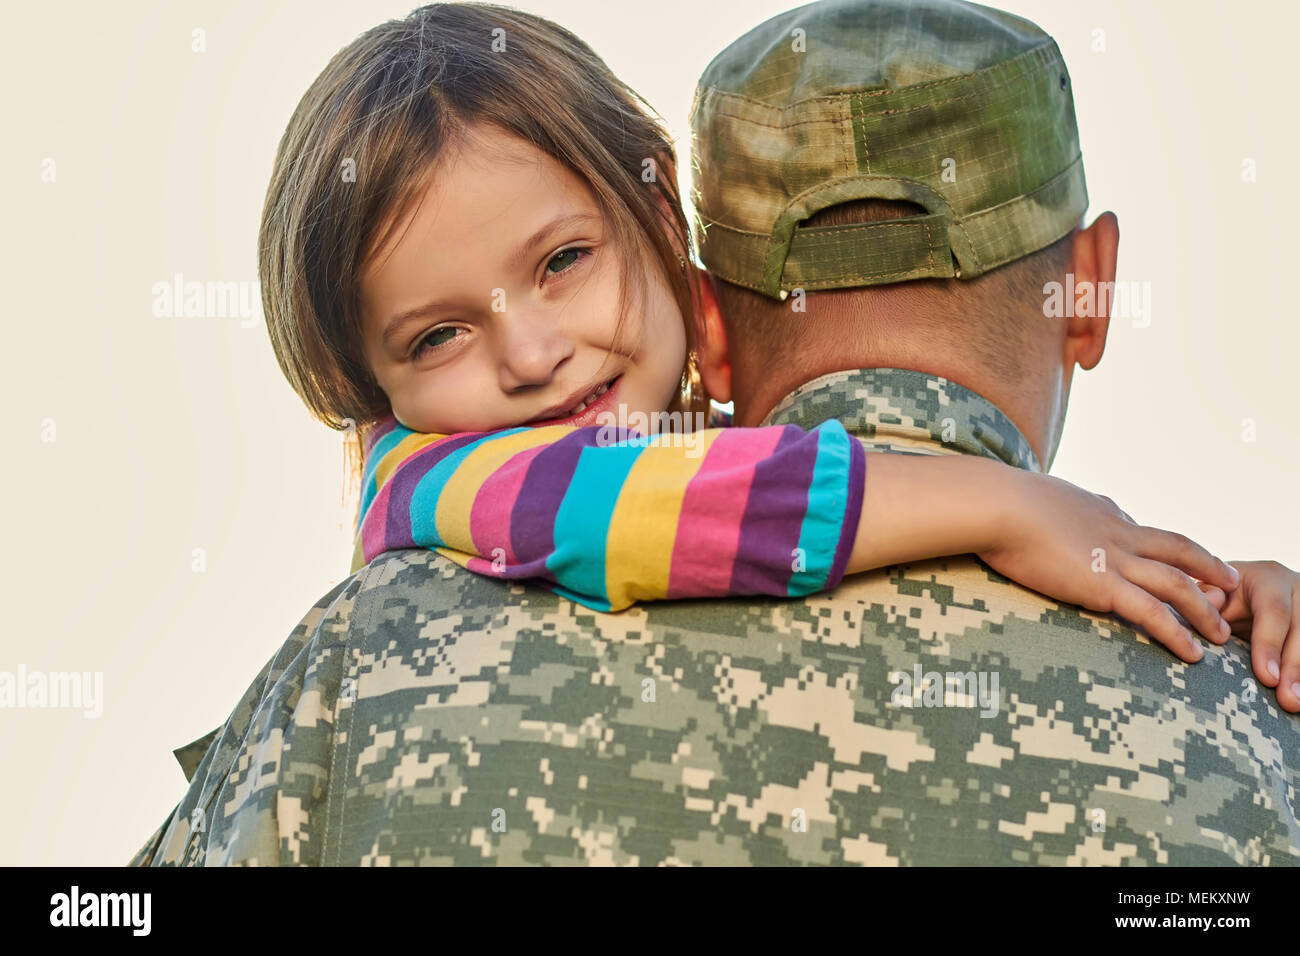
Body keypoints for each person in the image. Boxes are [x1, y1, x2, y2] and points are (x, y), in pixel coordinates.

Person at [130, 0, 1300, 866]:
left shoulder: (350, 668)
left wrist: (1224, 586)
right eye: (436, 336)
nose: (533, 357)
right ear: (1086, 286)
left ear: (691, 288)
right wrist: (1023, 514)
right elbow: (685, 510)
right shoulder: (458, 488)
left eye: (563, 264)